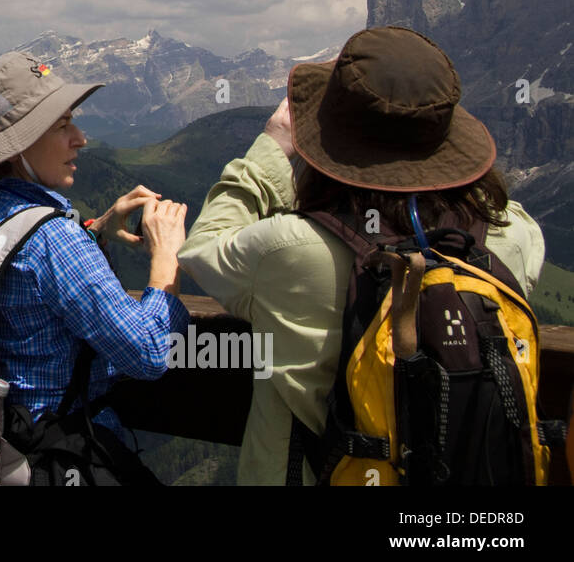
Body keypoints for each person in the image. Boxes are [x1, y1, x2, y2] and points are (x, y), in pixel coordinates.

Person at [177, 26, 545, 485]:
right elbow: (505, 209)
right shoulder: (512, 239)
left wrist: (270, 148)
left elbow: (202, 246)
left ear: (329, 144)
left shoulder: (288, 250)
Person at [0, 51, 190, 482]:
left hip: (4, 451)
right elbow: (150, 353)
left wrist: (95, 230)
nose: (80, 138)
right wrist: (166, 257)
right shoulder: (55, 240)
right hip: (64, 456)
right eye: (62, 126)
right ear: (18, 146)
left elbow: (23, 269)